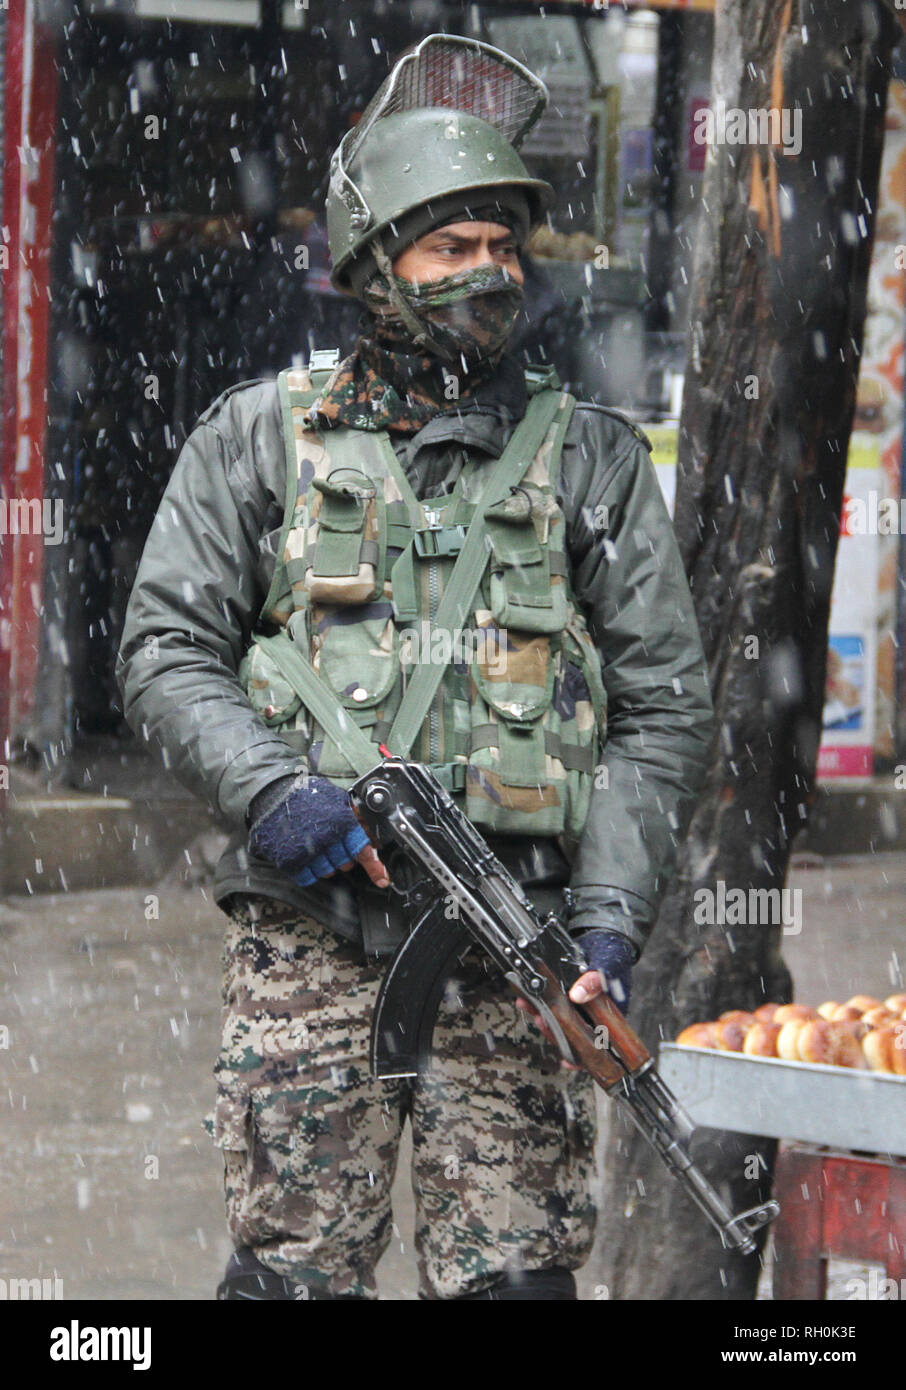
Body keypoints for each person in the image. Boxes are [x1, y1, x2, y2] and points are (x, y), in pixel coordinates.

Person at [116, 35, 714, 1302]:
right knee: (292, 1276)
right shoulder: (260, 439)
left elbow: (665, 701)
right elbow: (166, 651)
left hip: (517, 951)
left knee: (519, 1283)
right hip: (315, 945)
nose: (489, 271)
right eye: (451, 247)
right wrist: (276, 793)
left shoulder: (591, 461)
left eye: (504, 245)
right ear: (374, 262)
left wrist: (608, 912)